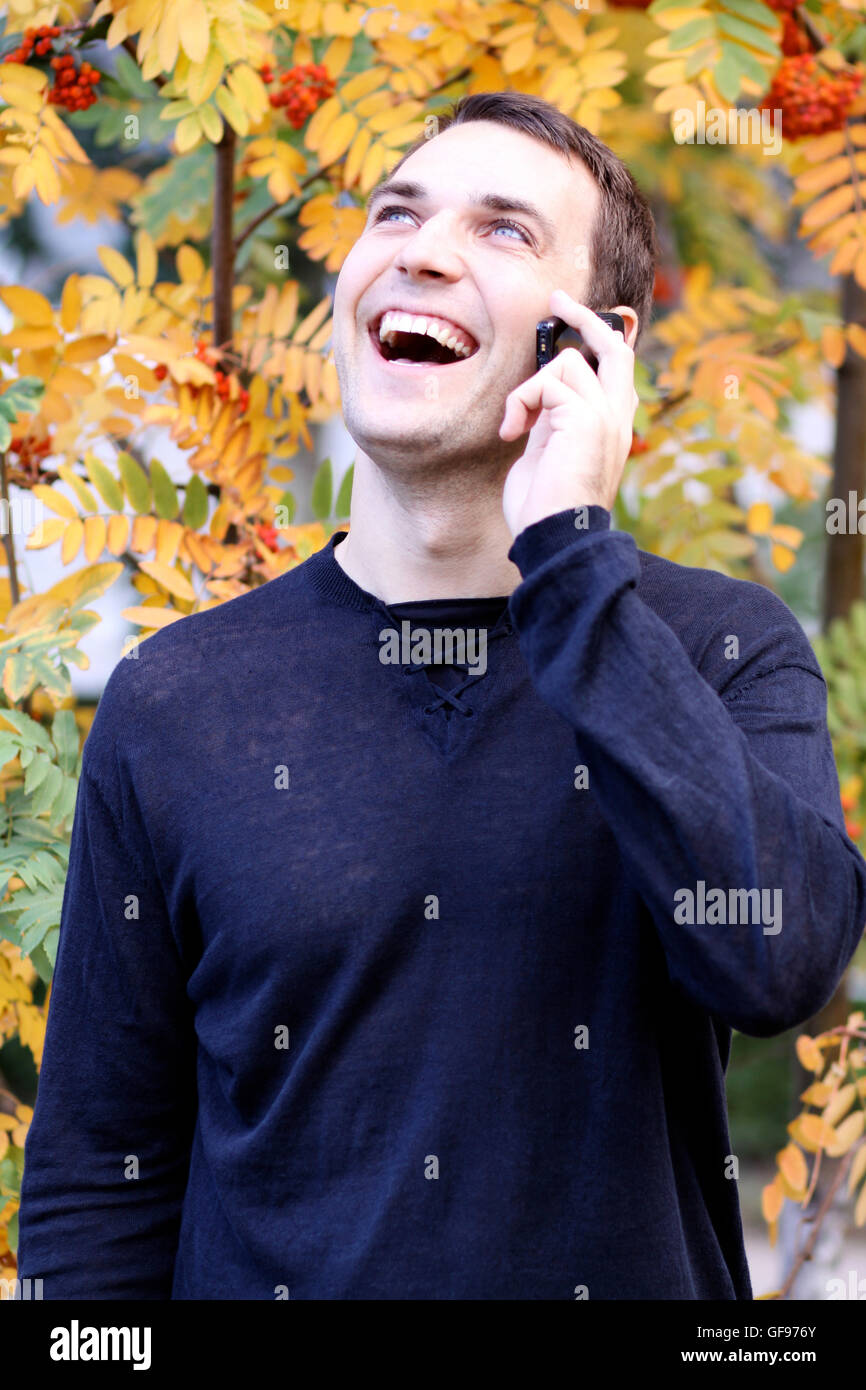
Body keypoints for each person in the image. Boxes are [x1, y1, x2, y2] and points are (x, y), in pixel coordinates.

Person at [17, 91, 866, 1301]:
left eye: (503, 231)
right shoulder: (175, 698)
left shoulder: (718, 649)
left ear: (594, 347)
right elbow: (103, 1176)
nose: (419, 248)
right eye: (395, 212)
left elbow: (778, 958)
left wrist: (570, 556)